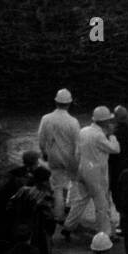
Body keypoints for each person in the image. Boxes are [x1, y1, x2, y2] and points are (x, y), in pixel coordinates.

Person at [65, 106, 120, 237]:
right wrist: (112, 135)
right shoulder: (99, 135)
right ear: (104, 121)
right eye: (108, 120)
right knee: (102, 205)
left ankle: (68, 226)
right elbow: (115, 149)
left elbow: (77, 152)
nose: (110, 123)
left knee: (80, 200)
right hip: (96, 174)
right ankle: (104, 234)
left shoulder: (83, 131)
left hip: (83, 169)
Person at [37, 88, 80, 228]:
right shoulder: (73, 122)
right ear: (69, 103)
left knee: (57, 187)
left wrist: (44, 152)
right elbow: (77, 143)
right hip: (70, 157)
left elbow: (41, 138)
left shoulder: (46, 119)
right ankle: (69, 210)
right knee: (73, 183)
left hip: (54, 156)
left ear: (56, 102)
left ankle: (59, 215)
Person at [7, 165, 56, 254]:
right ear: (45, 181)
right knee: (43, 253)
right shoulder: (45, 196)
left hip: (21, 226)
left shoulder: (23, 190)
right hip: (39, 230)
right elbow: (49, 216)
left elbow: (10, 205)